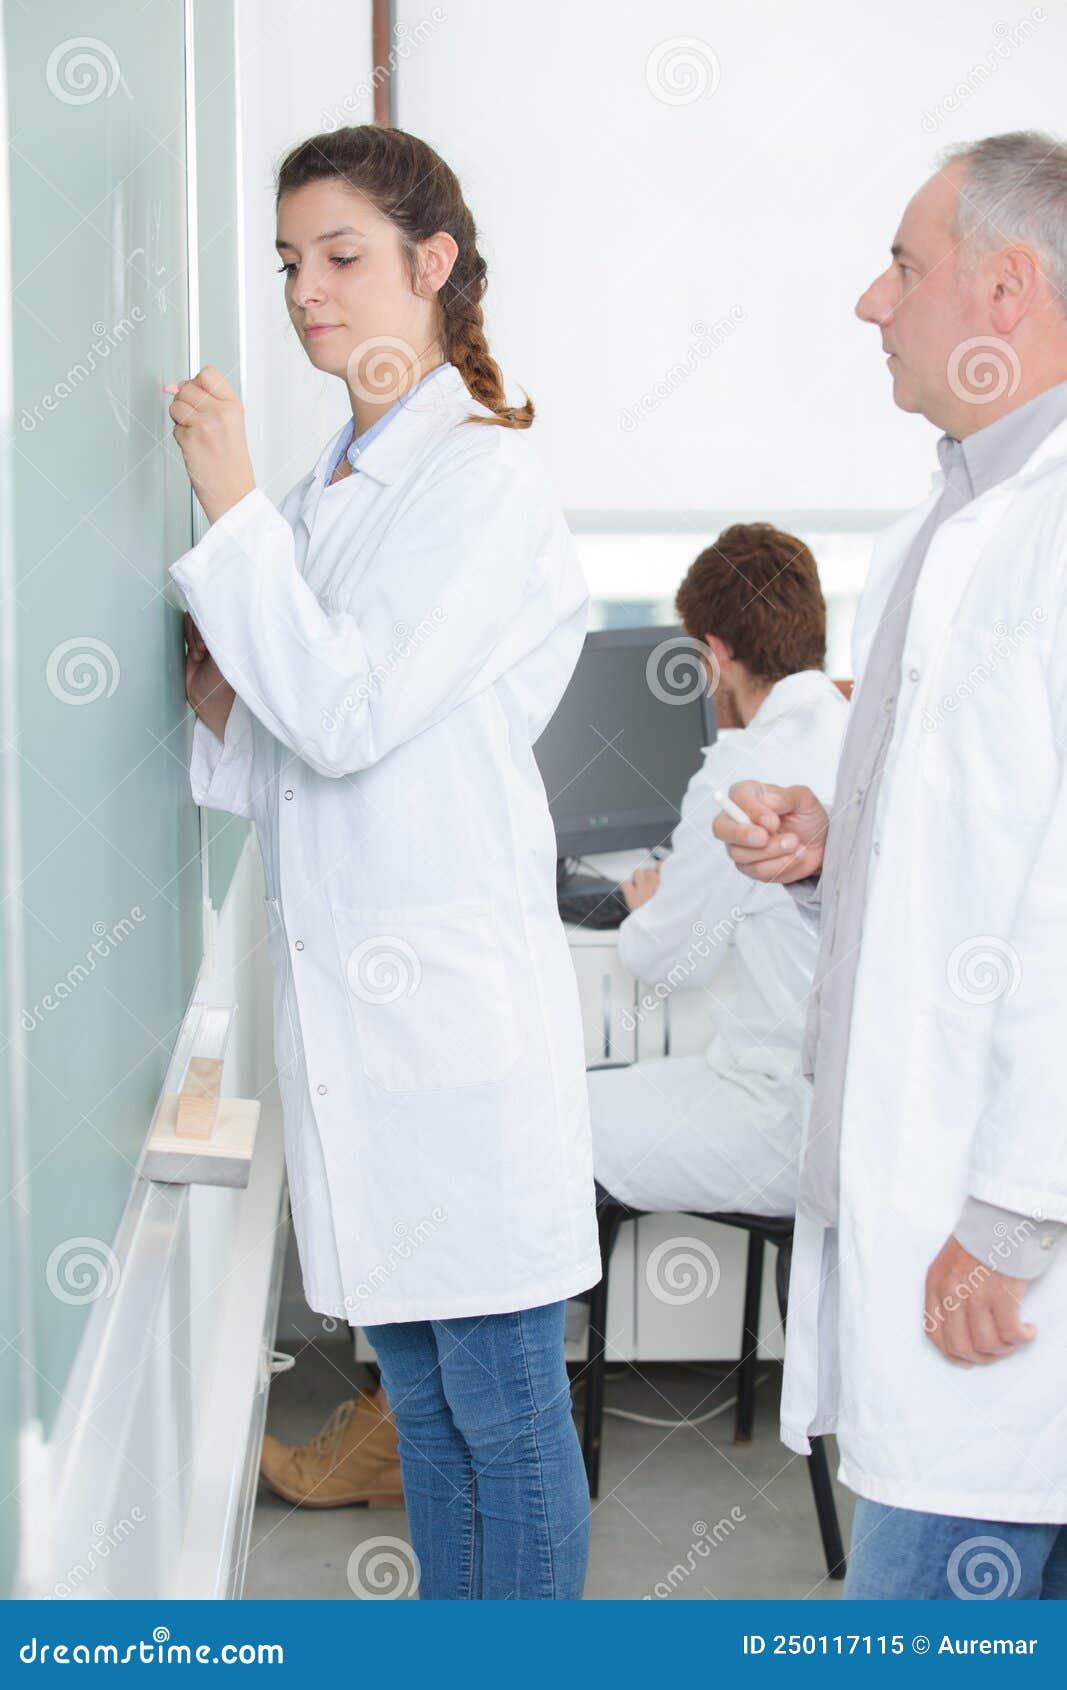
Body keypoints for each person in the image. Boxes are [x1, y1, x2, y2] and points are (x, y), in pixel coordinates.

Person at [166, 124, 600, 1601]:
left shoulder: (480, 484)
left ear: (431, 265)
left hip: (455, 1035)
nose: (306, 292)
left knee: (502, 1414)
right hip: (366, 1033)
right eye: (290, 262)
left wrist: (225, 509)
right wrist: (226, 690)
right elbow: (276, 746)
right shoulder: (324, 490)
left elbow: (343, 713)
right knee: (418, 1411)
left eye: (341, 257)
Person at [713, 132, 1067, 1599]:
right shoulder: (946, 519)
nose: (871, 302)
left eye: (902, 268)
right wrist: (829, 851)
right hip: (947, 1215)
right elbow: (973, 835)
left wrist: (1011, 1209)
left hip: (996, 1244)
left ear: (1002, 286)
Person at [589, 523, 849, 1218]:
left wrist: (648, 910)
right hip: (861, 1117)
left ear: (713, 653)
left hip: (783, 1117)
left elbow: (671, 965)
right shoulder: (858, 736)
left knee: (552, 1117)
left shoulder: (739, 772)